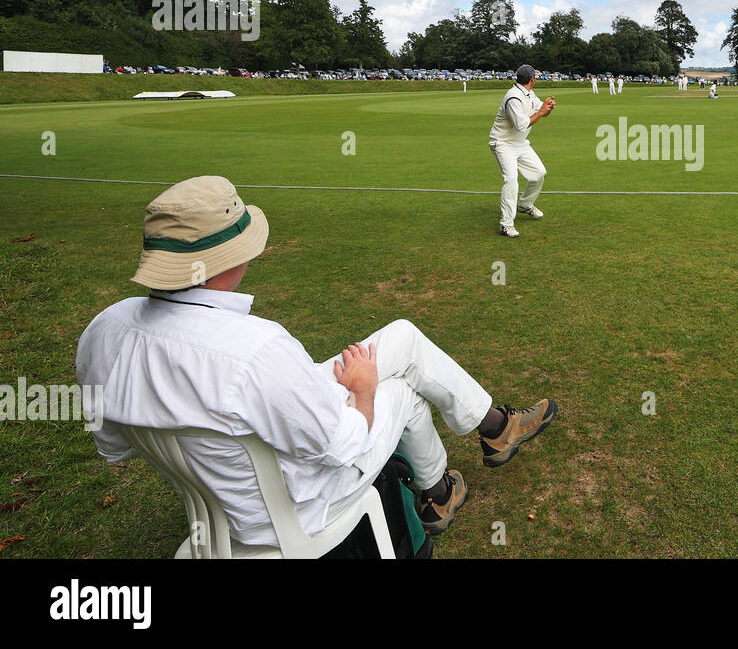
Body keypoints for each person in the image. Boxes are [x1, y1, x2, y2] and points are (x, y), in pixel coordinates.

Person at [75, 175, 558, 548]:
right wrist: (362, 389)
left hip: (228, 490)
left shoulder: (104, 329)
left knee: (403, 340)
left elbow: (112, 445)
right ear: (233, 256)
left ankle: (491, 428)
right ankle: (440, 490)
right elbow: (344, 444)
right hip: (293, 506)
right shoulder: (256, 347)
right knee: (405, 391)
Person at [490, 65, 554, 238]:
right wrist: (541, 112)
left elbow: (541, 111)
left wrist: (547, 107)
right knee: (511, 179)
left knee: (539, 173)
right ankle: (506, 224)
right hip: (502, 143)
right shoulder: (513, 97)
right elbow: (521, 125)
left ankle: (525, 205)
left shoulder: (529, 94)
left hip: (519, 143)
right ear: (532, 79)